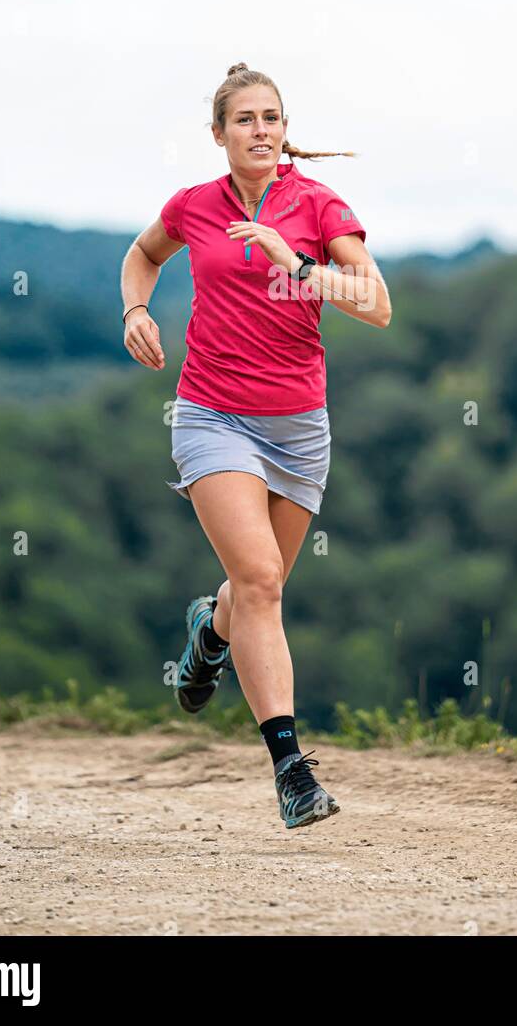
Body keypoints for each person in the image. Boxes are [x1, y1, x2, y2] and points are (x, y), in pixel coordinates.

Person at [120, 62, 391, 828]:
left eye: (271, 117)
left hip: (299, 428)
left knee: (251, 594)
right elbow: (142, 254)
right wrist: (136, 310)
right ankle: (291, 770)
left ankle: (208, 633)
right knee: (264, 581)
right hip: (210, 416)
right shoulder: (195, 207)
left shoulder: (318, 205)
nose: (261, 130)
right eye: (245, 119)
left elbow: (375, 304)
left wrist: (295, 264)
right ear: (219, 134)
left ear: (284, 129)